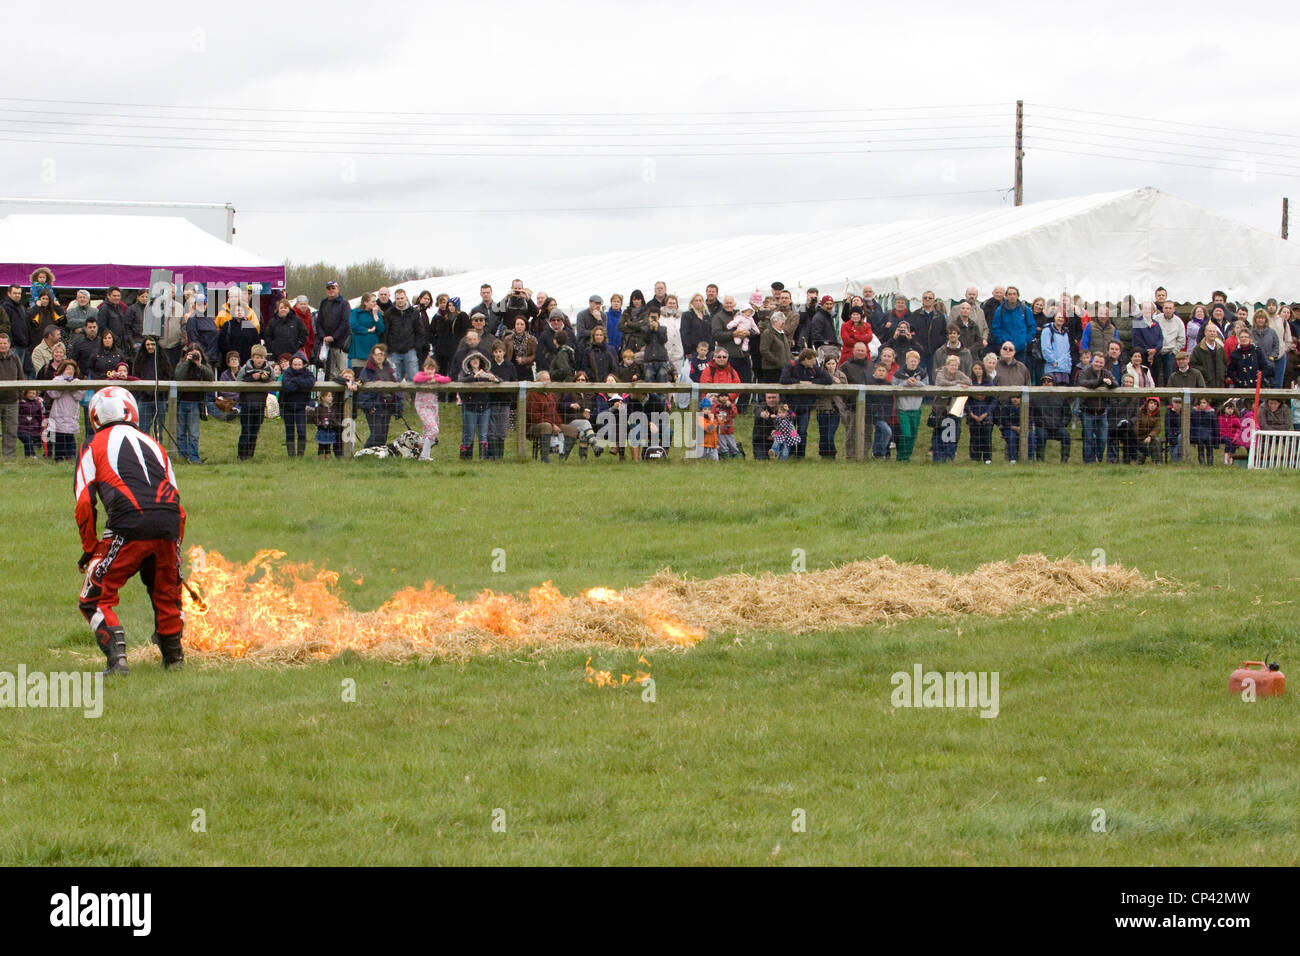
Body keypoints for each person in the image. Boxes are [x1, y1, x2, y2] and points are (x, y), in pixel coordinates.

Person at [74, 386, 186, 675]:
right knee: (166, 593)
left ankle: (117, 661)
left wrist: (90, 548)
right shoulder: (155, 444)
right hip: (169, 525)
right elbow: (178, 504)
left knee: (94, 598)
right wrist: (176, 549)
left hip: (128, 524)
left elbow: (84, 503)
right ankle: (174, 660)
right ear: (131, 410)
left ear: (95, 416)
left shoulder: (92, 445)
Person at [524, 370, 596, 462]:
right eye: (545, 380)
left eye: (549, 379)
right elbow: (535, 416)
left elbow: (556, 412)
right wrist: (553, 425)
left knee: (572, 430)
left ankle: (562, 458)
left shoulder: (551, 395)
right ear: (538, 381)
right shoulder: (532, 394)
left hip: (553, 423)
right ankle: (545, 458)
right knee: (547, 426)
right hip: (535, 425)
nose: (548, 382)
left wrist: (557, 424)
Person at [173, 346, 214, 464]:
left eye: (196, 354)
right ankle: (182, 457)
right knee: (180, 432)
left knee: (193, 433)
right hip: (182, 402)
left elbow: (210, 377)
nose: (193, 356)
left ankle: (194, 457)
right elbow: (178, 377)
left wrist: (199, 364)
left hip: (195, 403)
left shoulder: (203, 365)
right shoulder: (182, 364)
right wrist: (187, 361)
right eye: (191, 354)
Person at [358, 344, 402, 450]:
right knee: (376, 434)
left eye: (382, 354)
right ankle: (364, 452)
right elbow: (362, 389)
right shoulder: (367, 370)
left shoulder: (391, 370)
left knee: (383, 436)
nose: (380, 356)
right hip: (374, 407)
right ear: (372, 355)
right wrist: (368, 406)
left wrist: (398, 406)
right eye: (377, 354)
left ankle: (377, 455)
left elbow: (397, 388)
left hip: (387, 406)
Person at [1078, 352, 1118, 464]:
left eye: (1101, 362)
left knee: (1103, 439)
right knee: (1088, 439)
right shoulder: (1084, 371)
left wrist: (1110, 383)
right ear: (1092, 361)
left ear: (1104, 364)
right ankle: (1088, 462)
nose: (1098, 364)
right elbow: (1083, 383)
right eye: (1096, 361)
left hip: (1102, 412)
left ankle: (1098, 459)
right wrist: (1100, 382)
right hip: (1087, 410)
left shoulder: (1106, 373)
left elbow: (1116, 383)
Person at [236, 344, 274, 459]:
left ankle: (250, 455)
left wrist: (265, 378)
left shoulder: (269, 368)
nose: (259, 360)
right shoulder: (245, 368)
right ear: (252, 357)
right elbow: (239, 381)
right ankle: (241, 455)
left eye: (261, 357)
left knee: (254, 431)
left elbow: (273, 380)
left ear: (264, 358)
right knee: (246, 430)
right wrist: (252, 378)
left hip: (260, 404)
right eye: (256, 357)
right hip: (247, 404)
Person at [932, 354, 971, 463]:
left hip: (953, 409)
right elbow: (941, 382)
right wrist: (957, 384)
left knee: (952, 434)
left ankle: (949, 457)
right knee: (938, 433)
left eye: (955, 365)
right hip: (940, 408)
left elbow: (968, 381)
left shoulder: (959, 374)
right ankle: (937, 458)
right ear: (947, 365)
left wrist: (958, 383)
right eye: (951, 364)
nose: (953, 367)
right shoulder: (941, 372)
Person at [412, 356, 452, 461]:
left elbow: (447, 379)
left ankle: (423, 455)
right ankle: (424, 455)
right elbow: (416, 378)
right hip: (422, 406)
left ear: (435, 369)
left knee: (427, 431)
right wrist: (430, 379)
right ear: (424, 368)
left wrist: (435, 379)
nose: (430, 371)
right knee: (433, 429)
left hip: (433, 407)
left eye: (432, 369)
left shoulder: (436, 376)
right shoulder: (421, 376)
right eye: (427, 368)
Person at [132, 337, 173, 441]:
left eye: (153, 344)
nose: (150, 347)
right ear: (144, 346)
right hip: (144, 399)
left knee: (158, 431)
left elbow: (168, 375)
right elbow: (135, 376)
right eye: (148, 344)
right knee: (142, 430)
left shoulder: (163, 359)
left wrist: (161, 391)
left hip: (159, 399)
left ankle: (157, 453)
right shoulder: (139, 359)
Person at [457, 349, 495, 460]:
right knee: (468, 434)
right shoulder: (464, 373)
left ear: (480, 360)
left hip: (485, 407)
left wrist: (493, 379)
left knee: (483, 434)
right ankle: (466, 459)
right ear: (468, 361)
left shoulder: (486, 373)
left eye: (477, 358)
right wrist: (474, 377)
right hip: (469, 407)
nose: (475, 361)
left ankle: (482, 459)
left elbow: (499, 380)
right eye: (472, 359)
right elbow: (460, 381)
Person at [892, 349, 928, 462]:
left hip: (916, 408)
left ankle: (907, 456)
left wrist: (917, 383)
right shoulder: (898, 373)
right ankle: (901, 456)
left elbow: (927, 387)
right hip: (903, 408)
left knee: (913, 434)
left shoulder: (922, 374)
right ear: (906, 361)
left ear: (918, 362)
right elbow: (894, 387)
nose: (913, 363)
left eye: (915, 361)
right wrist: (905, 383)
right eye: (911, 360)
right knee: (906, 434)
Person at [382, 289, 423, 383]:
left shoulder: (414, 312)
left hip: (410, 350)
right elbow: (385, 332)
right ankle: (397, 398)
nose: (400, 300)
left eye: (402, 298)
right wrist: (386, 349)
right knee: (394, 379)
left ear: (406, 298)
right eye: (397, 298)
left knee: (414, 378)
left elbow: (420, 332)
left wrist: (417, 347)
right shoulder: (389, 313)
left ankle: (414, 398)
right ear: (395, 299)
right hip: (393, 351)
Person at [45, 360, 83, 461]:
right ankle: (58, 458)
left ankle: (71, 457)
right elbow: (54, 394)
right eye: (67, 369)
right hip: (59, 411)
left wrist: (71, 387)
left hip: (72, 411)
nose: (69, 371)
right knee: (59, 436)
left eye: (72, 369)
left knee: (70, 436)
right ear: (62, 370)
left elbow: (79, 396)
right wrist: (63, 385)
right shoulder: (56, 380)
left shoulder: (78, 382)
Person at [279, 351, 316, 456]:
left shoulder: (308, 373)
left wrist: (295, 381)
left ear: (303, 364)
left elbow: (310, 383)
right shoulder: (287, 372)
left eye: (299, 364)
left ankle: (300, 454)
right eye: (295, 364)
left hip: (301, 406)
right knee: (289, 431)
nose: (297, 367)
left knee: (302, 431)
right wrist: (300, 383)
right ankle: (291, 455)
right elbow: (287, 387)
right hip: (287, 406)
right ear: (291, 364)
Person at [486, 342, 518, 459]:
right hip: (493, 400)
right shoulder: (489, 366)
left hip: (505, 401)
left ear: (504, 352)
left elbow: (514, 381)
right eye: (496, 352)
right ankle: (492, 455)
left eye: (500, 351)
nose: (498, 354)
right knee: (492, 428)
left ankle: (500, 456)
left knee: (502, 428)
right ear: (493, 353)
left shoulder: (510, 366)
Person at [1030, 376, 1071, 463]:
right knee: (1041, 436)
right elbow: (1030, 414)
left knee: (1066, 436)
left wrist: (1062, 424)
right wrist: (1037, 423)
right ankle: (1040, 460)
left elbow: (1067, 414)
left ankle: (1064, 460)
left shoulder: (1061, 397)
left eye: (1049, 381)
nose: (1046, 383)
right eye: (1044, 381)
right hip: (1041, 427)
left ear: (1053, 383)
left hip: (1057, 427)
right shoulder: (1034, 398)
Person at [991, 287, 1035, 366]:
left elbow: (1032, 326)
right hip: (1006, 348)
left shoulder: (1025, 309)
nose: (1012, 296)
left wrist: (1025, 340)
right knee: (1005, 372)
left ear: (1018, 296)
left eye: (1014, 294)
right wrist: (1002, 341)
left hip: (1021, 349)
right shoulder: (1000, 310)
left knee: (1020, 373)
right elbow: (996, 328)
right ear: (1006, 296)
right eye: (1010, 294)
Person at [966, 360, 996, 464]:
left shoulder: (989, 382)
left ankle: (987, 458)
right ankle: (975, 458)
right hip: (973, 412)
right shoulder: (969, 382)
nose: (977, 371)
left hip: (986, 412)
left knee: (986, 436)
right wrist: (970, 413)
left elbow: (993, 400)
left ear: (983, 370)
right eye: (975, 369)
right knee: (974, 437)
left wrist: (986, 413)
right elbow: (966, 400)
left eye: (979, 369)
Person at [314, 390, 344, 457]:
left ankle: (328, 462)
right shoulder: (319, 407)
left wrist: (337, 423)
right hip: (322, 429)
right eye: (328, 396)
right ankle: (321, 460)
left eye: (331, 396)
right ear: (323, 397)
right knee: (321, 446)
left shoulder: (334, 408)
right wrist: (319, 423)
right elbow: (316, 417)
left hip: (331, 430)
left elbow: (338, 417)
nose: (331, 398)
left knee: (328, 446)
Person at [1190, 397, 1219, 465]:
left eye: (1204, 403)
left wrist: (1216, 441)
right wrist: (1191, 438)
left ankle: (1210, 463)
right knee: (1200, 450)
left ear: (1208, 404)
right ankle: (1202, 464)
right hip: (1198, 435)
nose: (1202, 404)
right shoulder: (1194, 413)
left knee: (1209, 450)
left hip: (1209, 435)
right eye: (1200, 403)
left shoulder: (1211, 413)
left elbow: (1215, 427)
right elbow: (1191, 426)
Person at [1134, 397, 1163, 464]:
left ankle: (1157, 462)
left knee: (1156, 440)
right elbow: (1136, 426)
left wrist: (1150, 436)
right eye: (1151, 403)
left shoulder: (1157, 414)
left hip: (1151, 437)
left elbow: (1157, 428)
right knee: (1139, 461)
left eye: (1155, 404)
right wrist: (1140, 436)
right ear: (1147, 403)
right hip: (1140, 437)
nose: (1152, 405)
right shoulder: (1140, 411)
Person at [18, 388, 44, 457]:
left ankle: (28, 457)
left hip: (33, 428)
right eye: (30, 393)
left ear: (36, 394)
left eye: (33, 393)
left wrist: (40, 428)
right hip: (21, 427)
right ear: (26, 393)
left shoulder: (37, 403)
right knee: (27, 439)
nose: (31, 395)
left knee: (29, 441)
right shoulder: (21, 402)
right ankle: (33, 455)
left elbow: (40, 417)